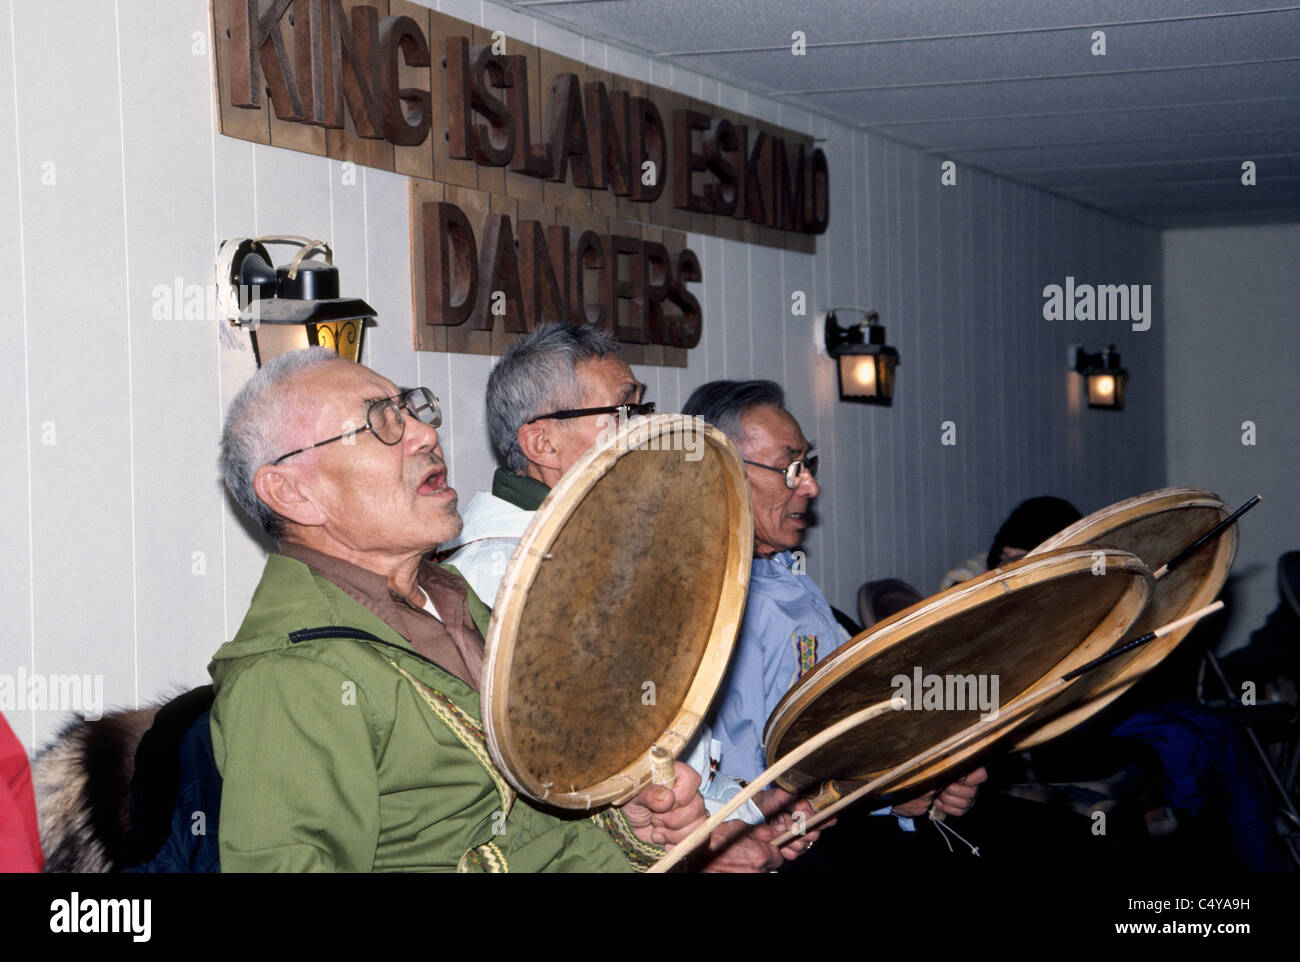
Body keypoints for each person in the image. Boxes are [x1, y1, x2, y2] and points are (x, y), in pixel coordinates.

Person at [210, 346, 706, 872]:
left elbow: (527, 807)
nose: (425, 435)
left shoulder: (450, 596)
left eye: (410, 409)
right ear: (292, 493)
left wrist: (625, 817)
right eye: (381, 423)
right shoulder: (293, 674)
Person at [445, 323, 810, 871]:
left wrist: (746, 805)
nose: (647, 431)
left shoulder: (606, 542)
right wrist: (708, 843)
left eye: (642, 409)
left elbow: (664, 736)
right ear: (542, 442)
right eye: (623, 413)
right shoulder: (501, 575)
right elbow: (573, 778)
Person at [682, 380, 986, 831]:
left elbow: (862, 703)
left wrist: (931, 770)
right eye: (790, 468)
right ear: (718, 471)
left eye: (809, 464)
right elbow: (745, 792)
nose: (811, 485)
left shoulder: (783, 572)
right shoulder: (718, 606)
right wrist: (888, 796)